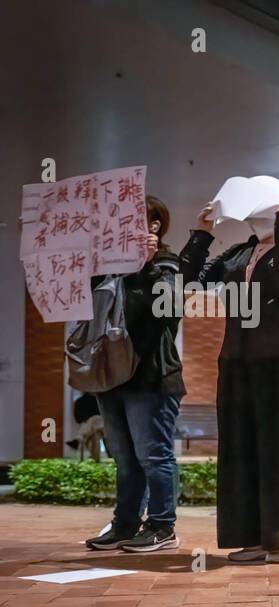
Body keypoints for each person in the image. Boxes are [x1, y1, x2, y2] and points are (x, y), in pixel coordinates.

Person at [179, 198, 279, 563]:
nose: (262, 219)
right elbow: (186, 280)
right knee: (239, 450)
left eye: (274, 213)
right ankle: (251, 538)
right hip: (235, 362)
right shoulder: (238, 254)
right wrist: (202, 235)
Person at [86, 196, 186, 552]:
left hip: (151, 377)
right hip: (111, 377)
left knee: (153, 455)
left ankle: (162, 526)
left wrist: (146, 265)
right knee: (125, 459)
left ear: (153, 224)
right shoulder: (108, 266)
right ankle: (125, 525)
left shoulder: (167, 263)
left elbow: (168, 310)